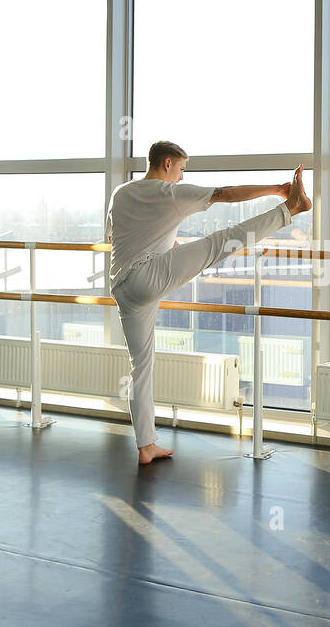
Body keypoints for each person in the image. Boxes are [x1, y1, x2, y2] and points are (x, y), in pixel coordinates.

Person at [107, 141, 311, 464]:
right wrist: (278, 190)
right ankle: (290, 211)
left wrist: (169, 248)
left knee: (141, 366)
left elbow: (116, 237)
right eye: (182, 169)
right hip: (148, 277)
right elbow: (226, 195)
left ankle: (146, 446)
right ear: (168, 163)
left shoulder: (120, 194)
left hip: (121, 288)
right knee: (219, 243)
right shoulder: (169, 194)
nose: (182, 177)